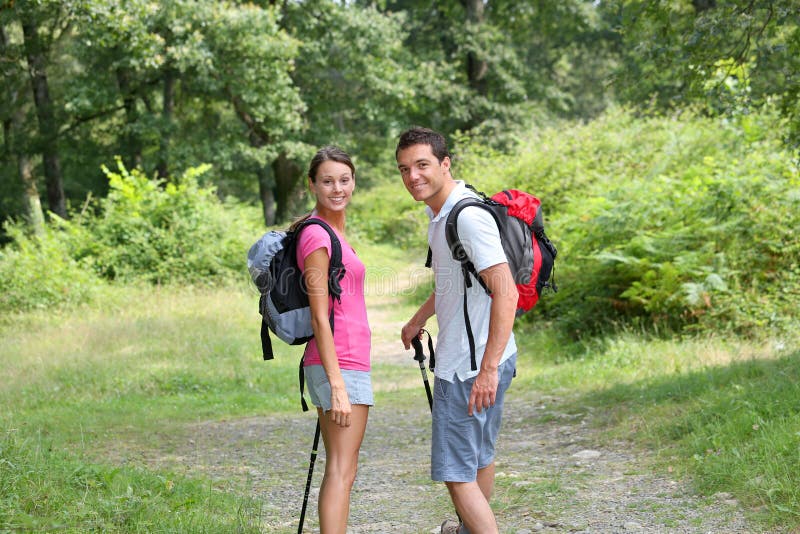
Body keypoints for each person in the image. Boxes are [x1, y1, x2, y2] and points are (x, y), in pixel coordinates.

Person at [396, 127, 518, 534]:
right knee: (478, 457)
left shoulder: (466, 217)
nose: (413, 176)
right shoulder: (443, 215)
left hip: (469, 367)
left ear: (445, 164)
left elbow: (507, 293)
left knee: (456, 472)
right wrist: (419, 319)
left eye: (422, 165)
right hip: (486, 359)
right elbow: (452, 283)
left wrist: (487, 368)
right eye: (405, 169)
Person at [295, 146, 372, 534]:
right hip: (337, 362)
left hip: (349, 361)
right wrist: (336, 384)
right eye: (327, 181)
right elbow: (319, 315)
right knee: (340, 468)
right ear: (313, 185)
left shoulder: (335, 231)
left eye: (344, 180)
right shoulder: (315, 235)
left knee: (346, 465)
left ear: (354, 181)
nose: (337, 188)